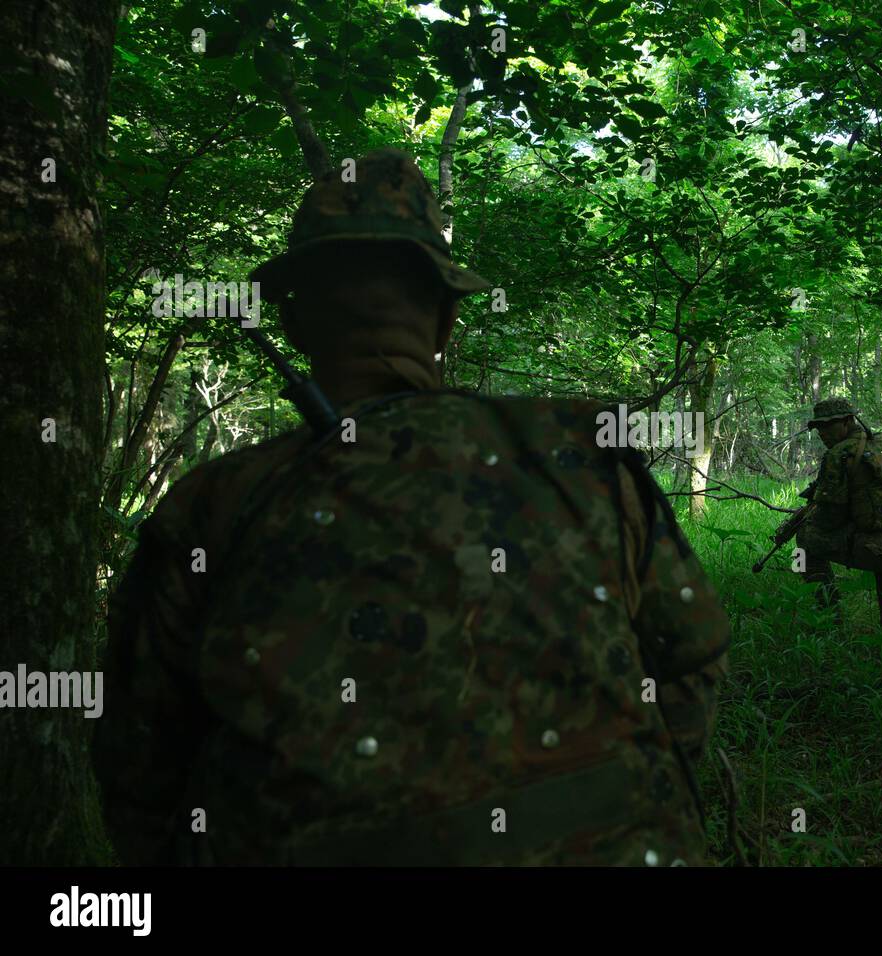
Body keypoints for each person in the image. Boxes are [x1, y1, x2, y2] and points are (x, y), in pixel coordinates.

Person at [93, 148, 730, 866]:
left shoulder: (216, 504)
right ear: (446, 322)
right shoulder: (581, 453)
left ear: (297, 328)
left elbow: (139, 763)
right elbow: (693, 652)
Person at [794, 398, 882, 627]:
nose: (822, 433)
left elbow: (829, 520)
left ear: (847, 421)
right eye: (818, 428)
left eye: (828, 425)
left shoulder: (839, 454)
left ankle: (827, 620)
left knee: (805, 542)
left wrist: (808, 517)